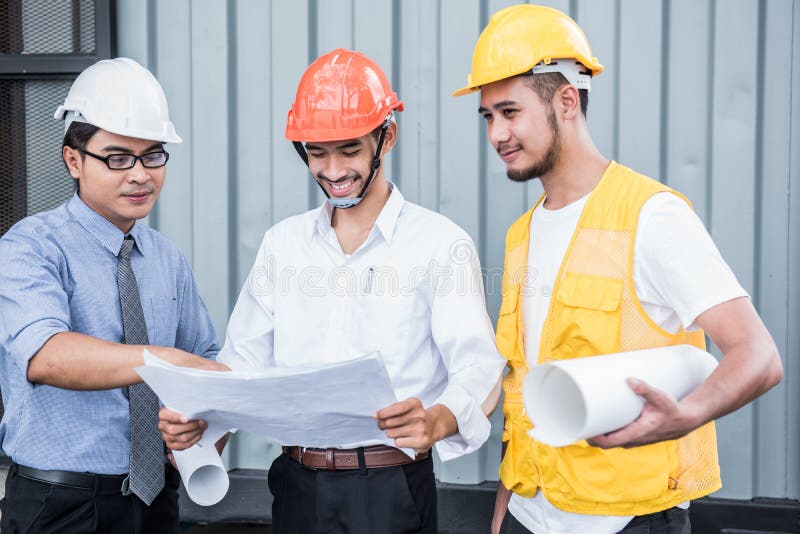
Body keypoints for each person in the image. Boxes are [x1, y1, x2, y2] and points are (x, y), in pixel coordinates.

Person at [453, 5, 784, 534]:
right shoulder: (524, 234)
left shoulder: (651, 216)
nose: (496, 133)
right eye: (488, 116)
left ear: (566, 101)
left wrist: (690, 414)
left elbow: (760, 356)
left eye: (510, 112)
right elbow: (526, 389)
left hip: (626, 521)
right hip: (526, 513)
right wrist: (503, 517)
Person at [159, 48, 506, 534]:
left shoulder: (439, 244)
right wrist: (199, 429)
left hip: (392, 490)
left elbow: (479, 366)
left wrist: (441, 419)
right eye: (317, 153)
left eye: (349, 150)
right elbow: (242, 365)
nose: (333, 170)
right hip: (296, 487)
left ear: (387, 137)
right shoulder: (283, 245)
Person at [0, 57, 227, 533]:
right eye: (118, 157)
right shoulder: (30, 247)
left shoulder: (167, 259)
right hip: (59, 505)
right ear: (74, 160)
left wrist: (201, 423)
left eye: (153, 155)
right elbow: (46, 355)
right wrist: (167, 361)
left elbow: (205, 361)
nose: (140, 174)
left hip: (154, 501)